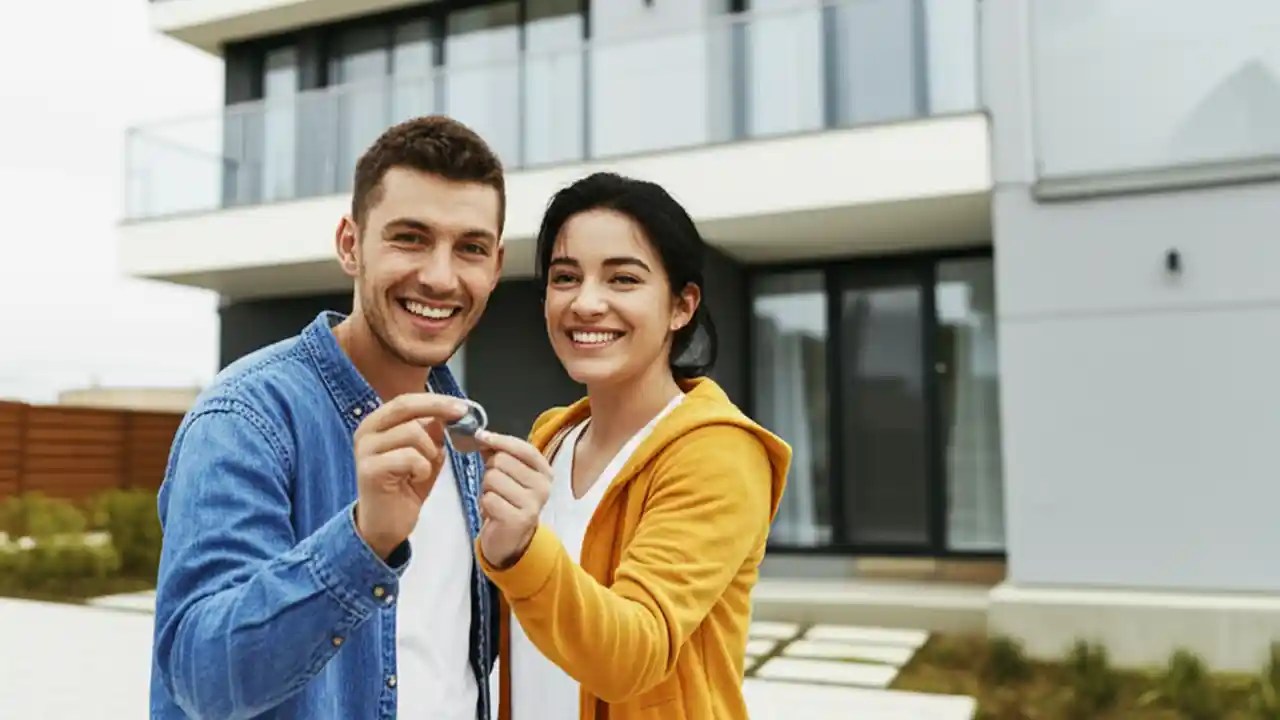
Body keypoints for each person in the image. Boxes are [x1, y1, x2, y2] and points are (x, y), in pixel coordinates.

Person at [149, 115, 505, 720]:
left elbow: (445, 667)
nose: (441, 277)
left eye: (469, 248)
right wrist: (365, 539)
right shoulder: (246, 417)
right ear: (350, 245)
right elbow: (202, 680)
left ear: (495, 267)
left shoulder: (467, 438)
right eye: (410, 238)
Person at [470, 172, 792, 720]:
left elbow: (633, 655)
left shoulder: (717, 454)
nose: (587, 303)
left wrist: (519, 551)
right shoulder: (549, 440)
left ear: (681, 306)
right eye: (566, 277)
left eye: (623, 279)